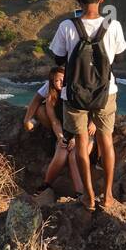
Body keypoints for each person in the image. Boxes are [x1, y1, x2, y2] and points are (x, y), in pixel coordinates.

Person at [49, 0, 126, 211]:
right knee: (106, 142)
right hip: (106, 92)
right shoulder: (113, 25)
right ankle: (108, 195)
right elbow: (119, 57)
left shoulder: (67, 27)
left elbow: (58, 58)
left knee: (82, 144)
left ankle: (89, 196)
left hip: (74, 95)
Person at [26, 65, 92, 195]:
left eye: (62, 79)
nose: (60, 83)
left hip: (83, 133)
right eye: (57, 80)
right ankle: (46, 185)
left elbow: (87, 115)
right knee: (61, 155)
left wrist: (75, 138)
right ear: (52, 82)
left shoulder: (77, 92)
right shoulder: (52, 98)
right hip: (65, 132)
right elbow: (55, 121)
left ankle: (80, 192)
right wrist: (60, 137)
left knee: (74, 157)